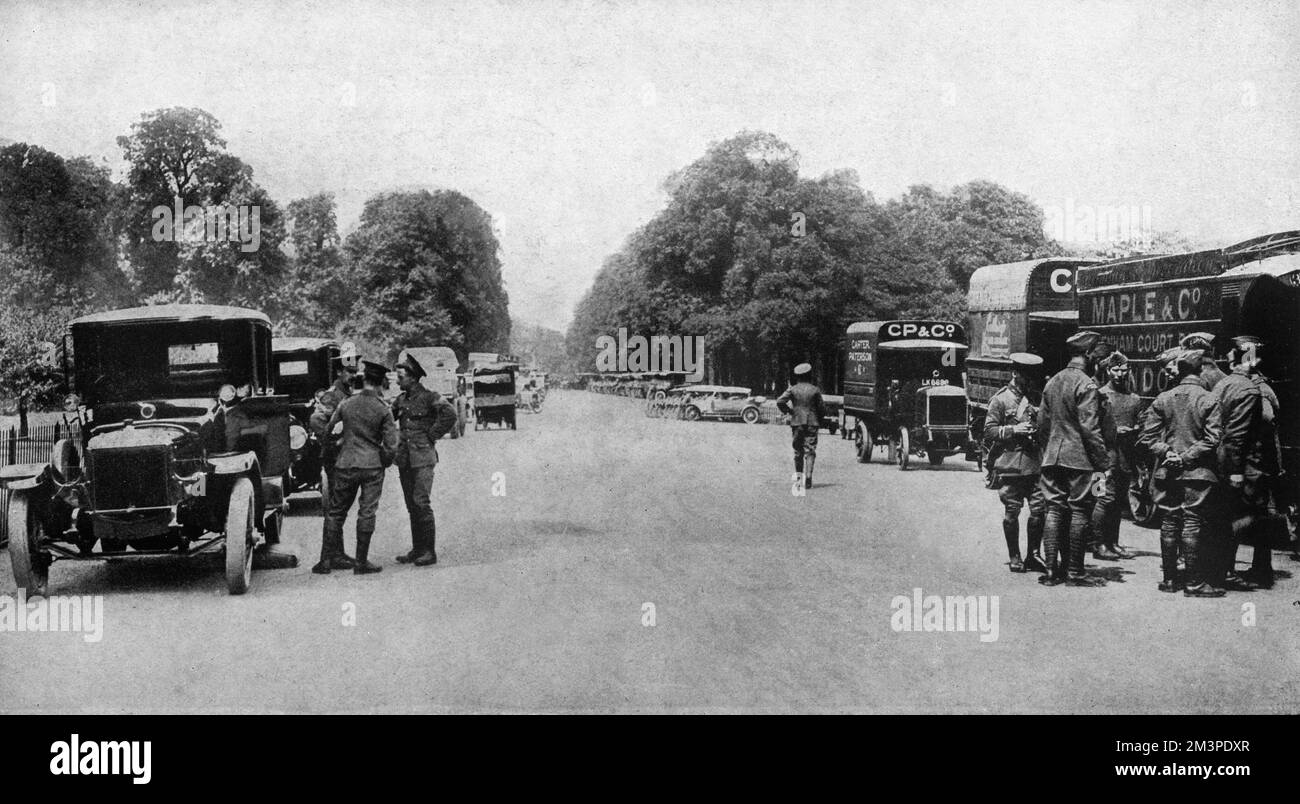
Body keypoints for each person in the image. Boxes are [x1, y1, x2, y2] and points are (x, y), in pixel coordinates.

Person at [1138, 349, 1225, 596]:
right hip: (1197, 473)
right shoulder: (1209, 399)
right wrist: (1186, 457)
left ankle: (1169, 580)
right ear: (1200, 370)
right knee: (1192, 521)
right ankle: (1194, 583)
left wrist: (1168, 454)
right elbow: (1213, 439)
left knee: (1169, 521)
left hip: (1168, 472)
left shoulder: (1163, 398)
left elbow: (1148, 437)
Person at [1036, 330, 1112, 586]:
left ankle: (1050, 571)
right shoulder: (1086, 384)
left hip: (1052, 457)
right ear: (1088, 355)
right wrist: (1103, 463)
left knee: (1054, 510)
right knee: (1080, 511)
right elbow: (1090, 428)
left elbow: (1042, 425)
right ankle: (1075, 572)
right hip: (1079, 459)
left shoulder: (1053, 381)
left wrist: (1049, 451)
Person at [314, 360, 398, 576]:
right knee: (367, 512)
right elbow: (391, 445)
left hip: (345, 465)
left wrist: (339, 449)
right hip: (372, 467)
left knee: (335, 512)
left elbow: (329, 430)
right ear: (379, 384)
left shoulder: (346, 404)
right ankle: (361, 562)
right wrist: (383, 461)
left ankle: (325, 561)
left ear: (364, 380)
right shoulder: (383, 409)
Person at [392, 353, 459, 566]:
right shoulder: (400, 400)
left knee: (421, 502)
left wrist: (432, 435)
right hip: (405, 459)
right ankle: (418, 548)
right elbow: (385, 418)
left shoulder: (431, 397)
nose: (397, 381)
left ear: (412, 377)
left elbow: (450, 414)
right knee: (412, 504)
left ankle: (429, 551)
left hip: (423, 458)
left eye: (401, 377)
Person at [1213, 335, 1268, 590]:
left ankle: (1221, 568)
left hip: (1221, 460)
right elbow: (1238, 435)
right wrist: (1236, 472)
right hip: (1242, 464)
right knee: (1249, 514)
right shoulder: (1248, 389)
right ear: (1250, 359)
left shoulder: (1222, 384)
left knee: (1226, 513)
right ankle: (1224, 570)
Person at [983, 352, 1047, 573]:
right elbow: (989, 431)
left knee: (1039, 511)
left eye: (1032, 376)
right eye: (1025, 375)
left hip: (1035, 463)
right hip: (1010, 464)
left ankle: (1034, 555)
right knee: (1013, 511)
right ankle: (1015, 556)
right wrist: (1014, 429)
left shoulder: (1037, 397)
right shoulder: (1000, 400)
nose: (1030, 380)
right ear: (1015, 373)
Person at [1091, 351, 1142, 560]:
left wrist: (1136, 429)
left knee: (1119, 501)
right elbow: (1090, 427)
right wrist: (1113, 431)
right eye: (1115, 370)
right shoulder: (1099, 395)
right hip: (1101, 460)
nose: (1120, 374)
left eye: (1124, 370)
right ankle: (1097, 544)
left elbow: (1141, 423)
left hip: (1125, 459)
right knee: (1100, 499)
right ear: (1107, 371)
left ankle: (1113, 543)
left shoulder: (1134, 399)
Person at [776, 363, 827, 489]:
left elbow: (779, 401)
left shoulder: (792, 389)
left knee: (798, 450)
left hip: (797, 422)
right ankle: (809, 477)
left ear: (797, 376)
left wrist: (789, 412)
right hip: (812, 422)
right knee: (810, 450)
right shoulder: (815, 390)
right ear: (809, 375)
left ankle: (799, 478)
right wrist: (818, 419)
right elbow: (822, 409)